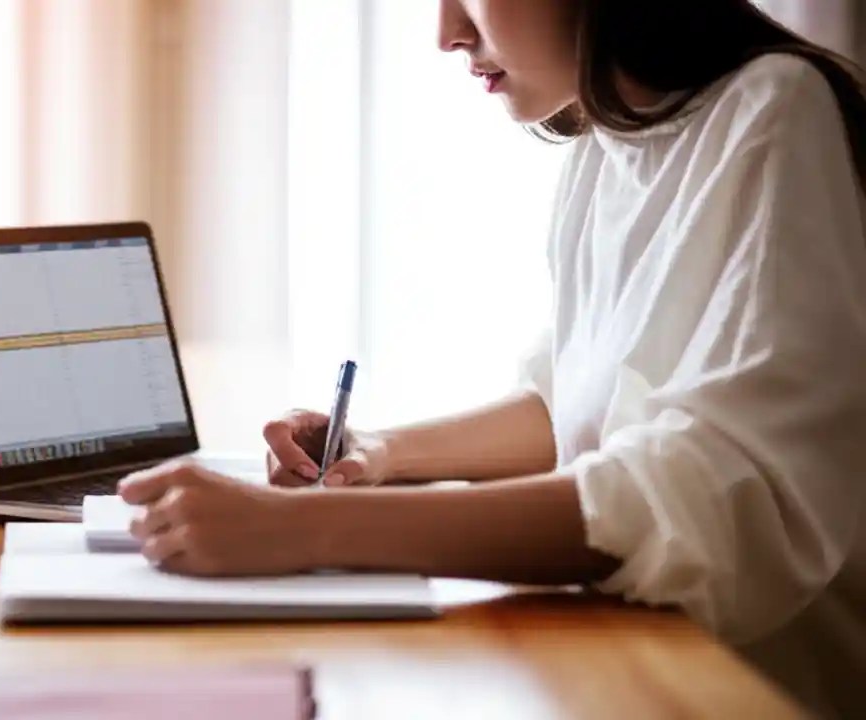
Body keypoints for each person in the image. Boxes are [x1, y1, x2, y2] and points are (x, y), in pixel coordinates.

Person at [119, 1, 866, 716]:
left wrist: (300, 531)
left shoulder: (777, 109)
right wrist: (376, 454)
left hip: (746, 693)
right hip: (620, 664)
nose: (447, 32)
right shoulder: (609, 146)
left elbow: (707, 496)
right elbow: (570, 401)